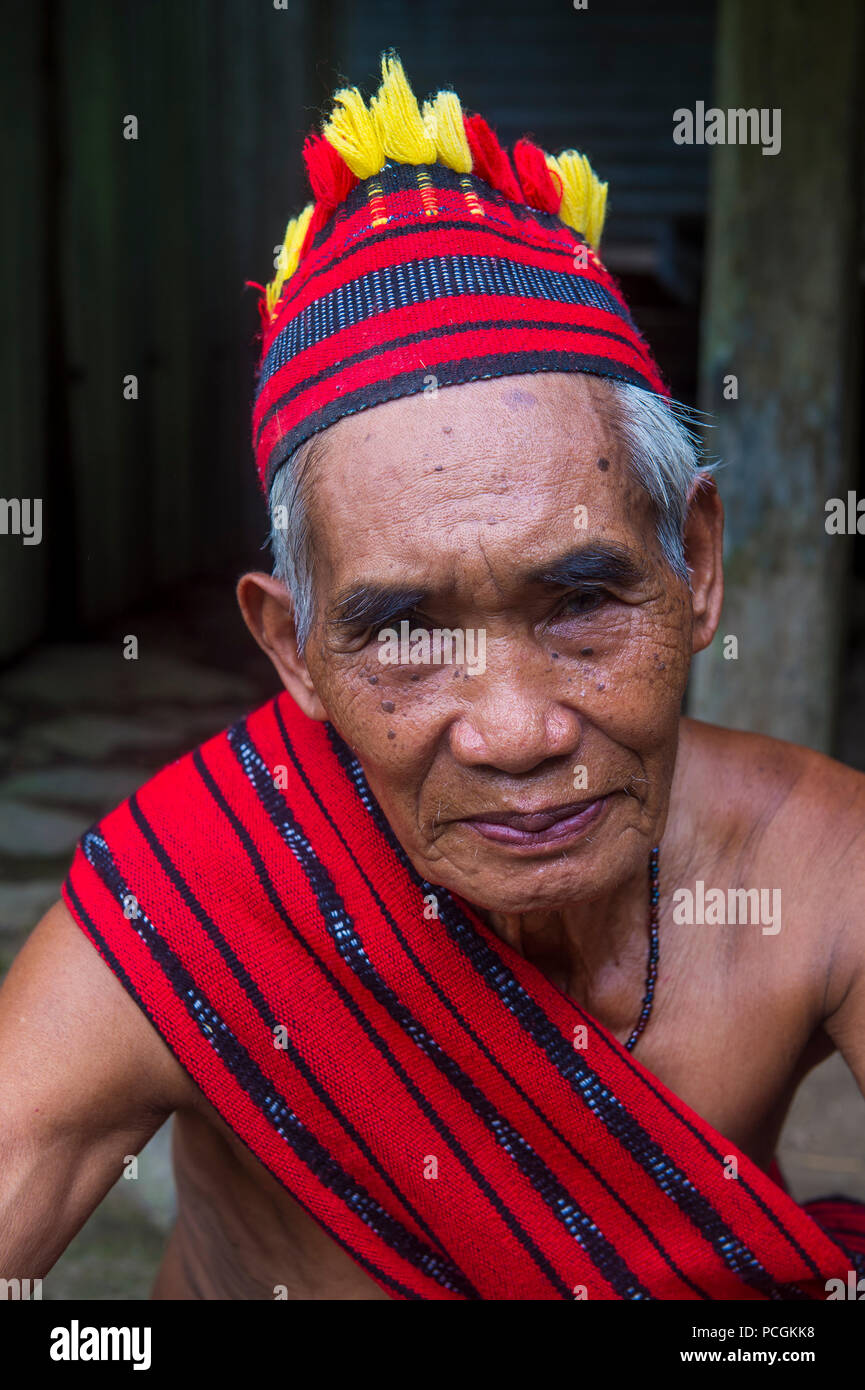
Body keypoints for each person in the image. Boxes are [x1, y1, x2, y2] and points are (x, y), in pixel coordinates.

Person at [1, 53, 864, 1302]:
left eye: (580, 602)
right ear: (293, 651)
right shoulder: (197, 903)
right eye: (402, 631)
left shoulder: (820, 866)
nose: (514, 731)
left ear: (697, 564)